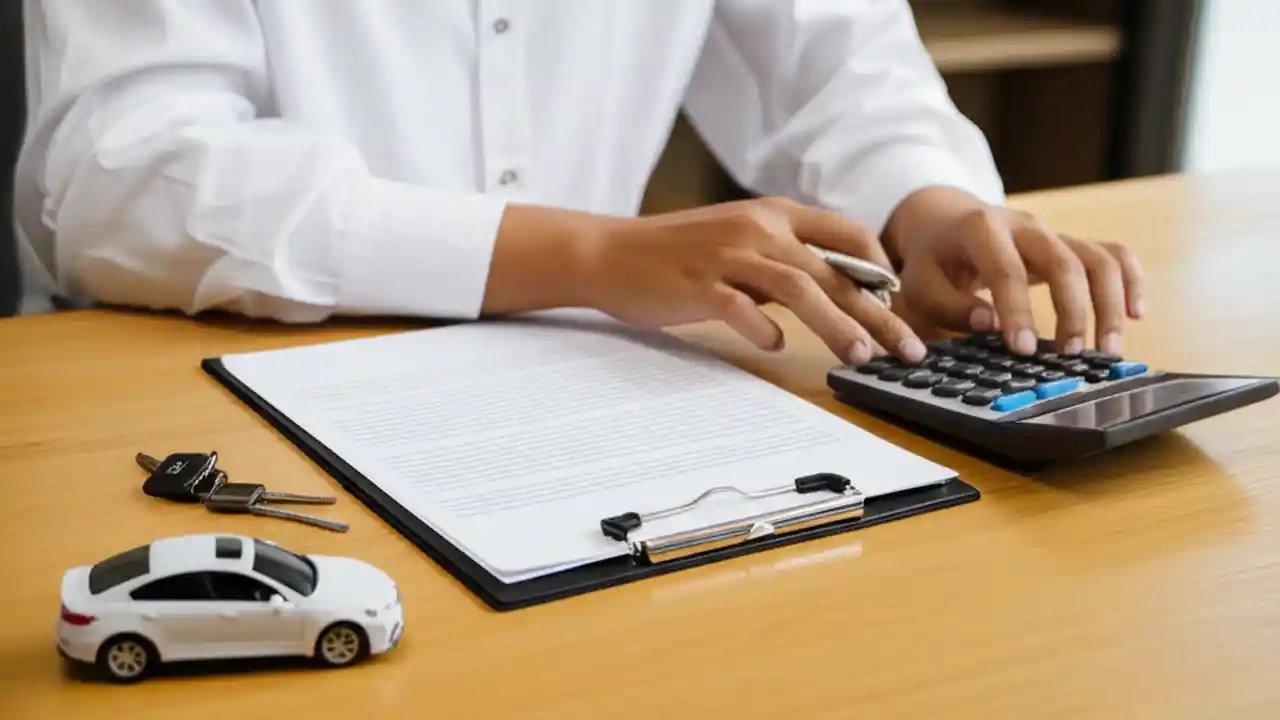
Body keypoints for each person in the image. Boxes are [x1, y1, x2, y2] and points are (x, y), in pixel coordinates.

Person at [15, 1, 1143, 364]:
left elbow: (832, 59)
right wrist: (593, 255)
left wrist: (927, 209)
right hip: (204, 367)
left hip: (570, 372)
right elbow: (122, 181)